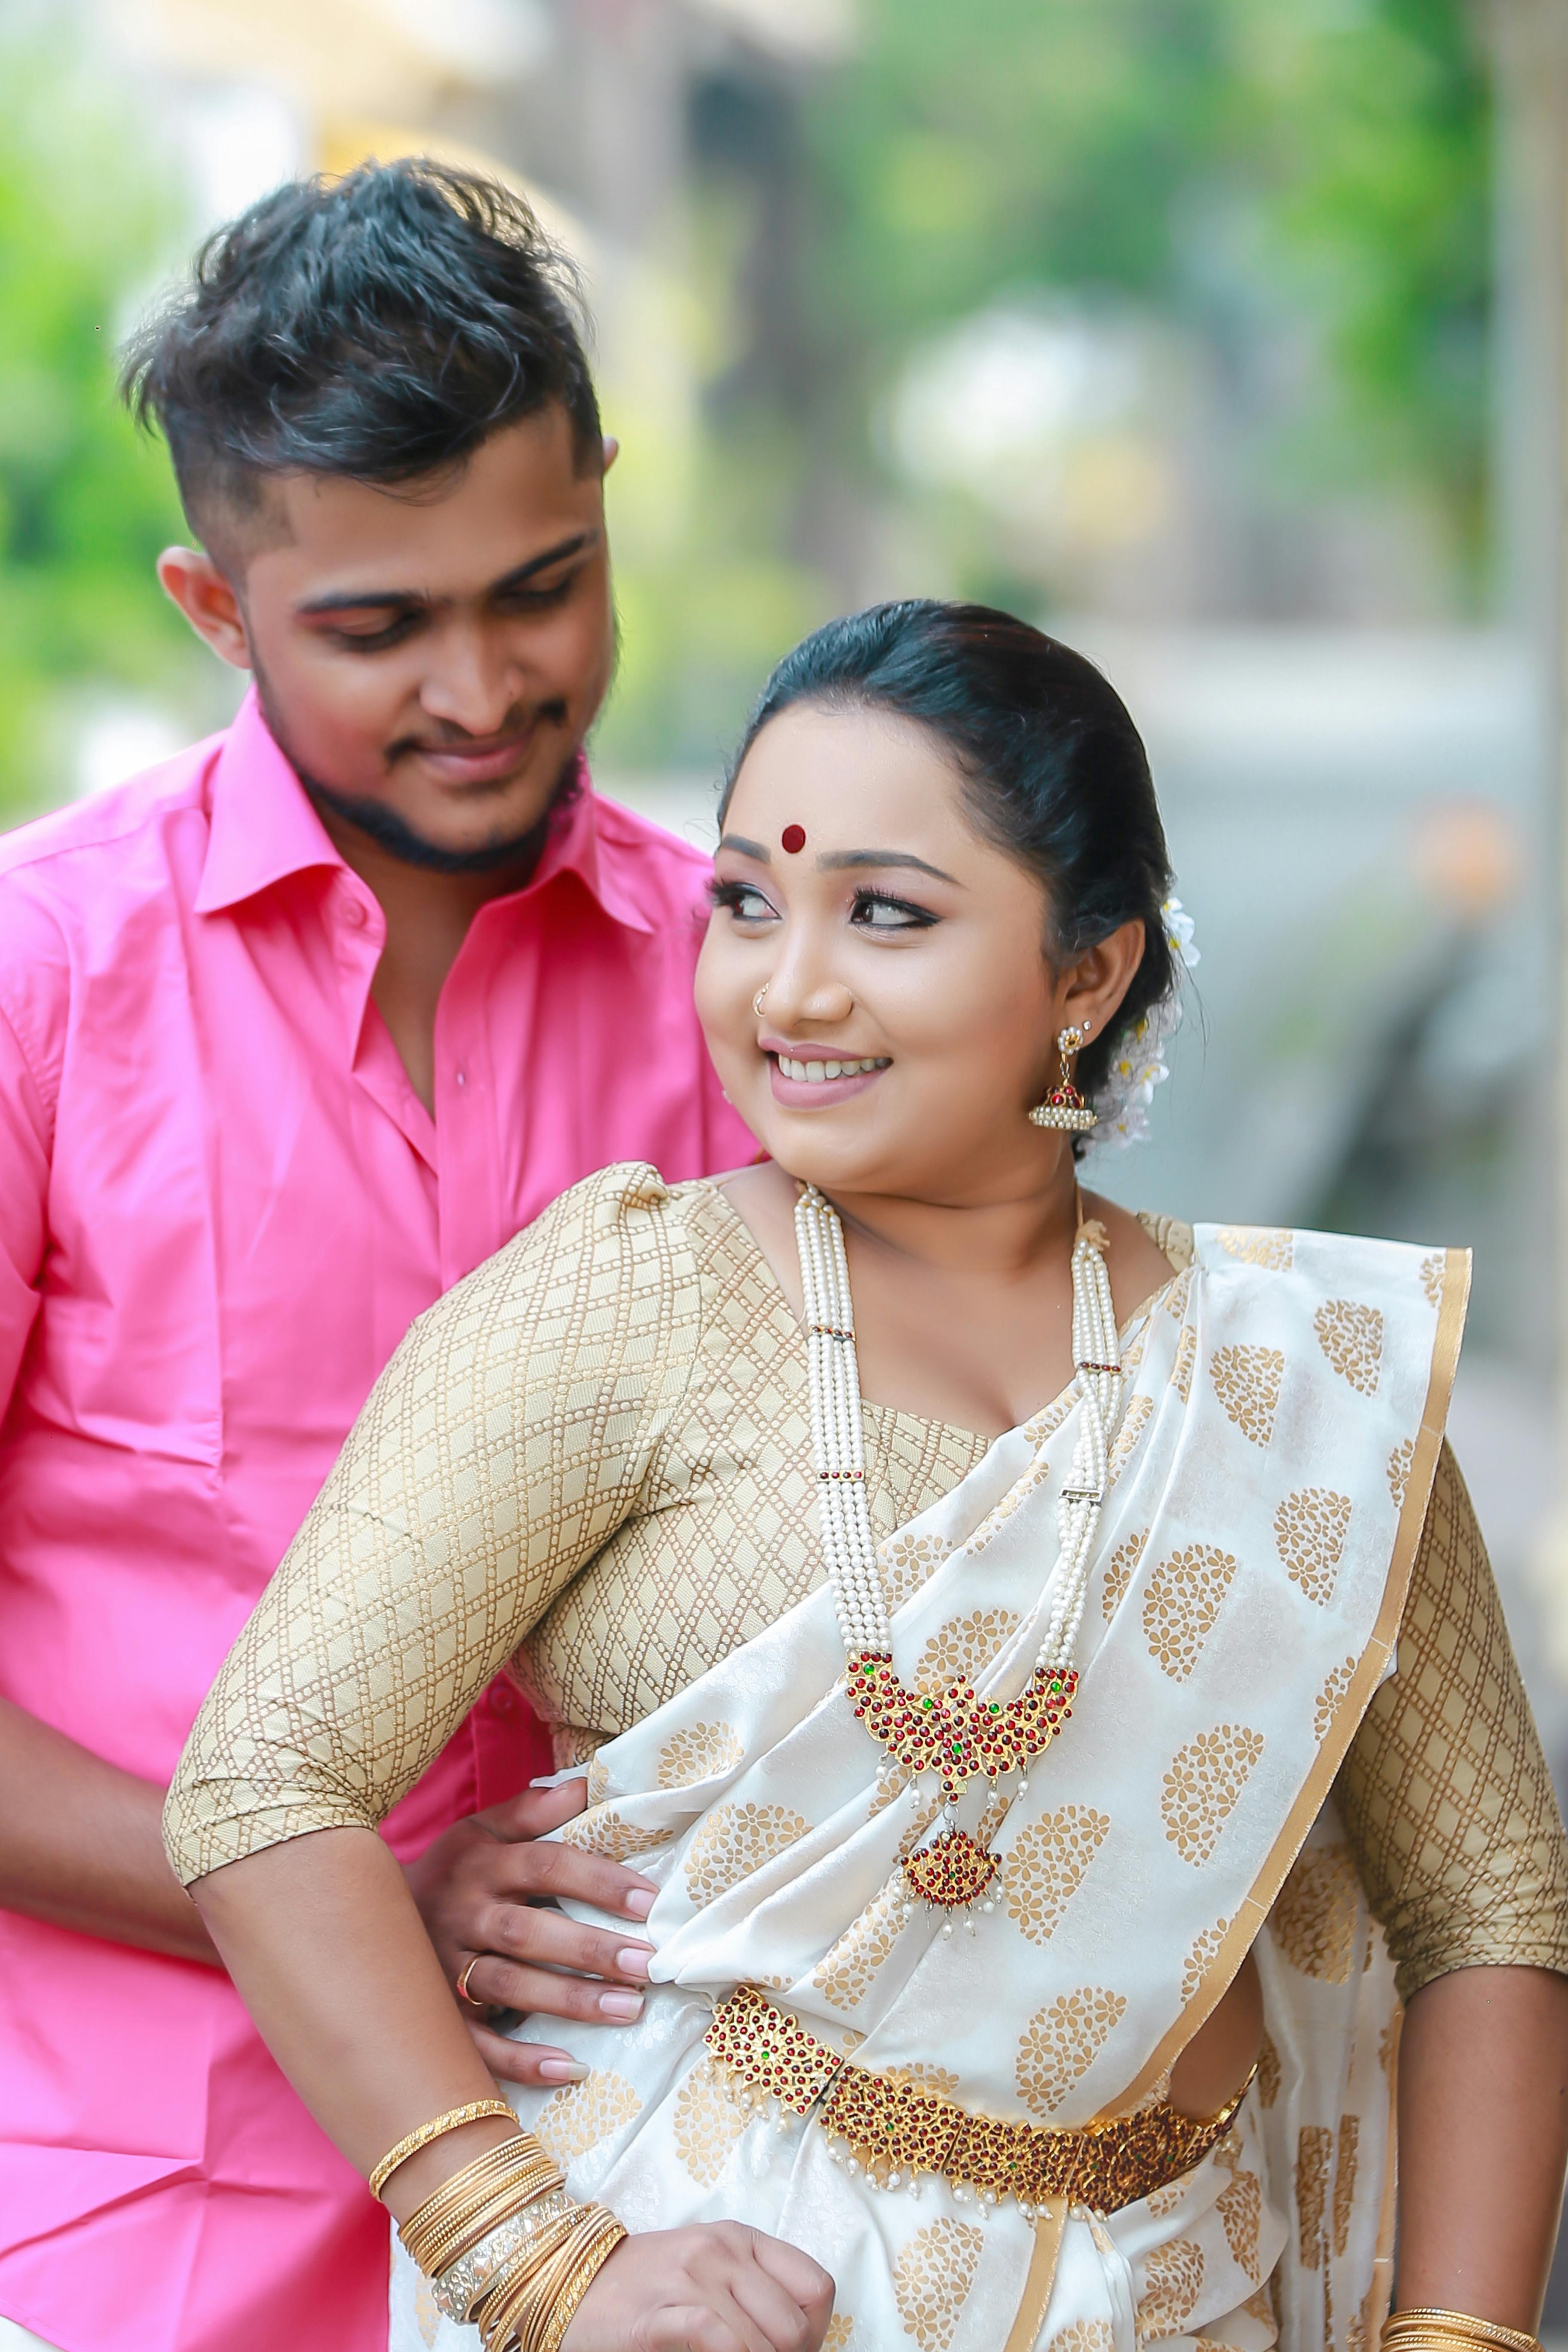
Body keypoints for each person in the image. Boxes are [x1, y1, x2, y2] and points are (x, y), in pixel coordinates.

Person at [165, 603, 1568, 2352]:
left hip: (1179, 2290)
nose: (790, 984)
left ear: (1090, 970)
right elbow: (262, 1780)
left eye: (883, 914)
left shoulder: (1304, 1383)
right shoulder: (629, 1295)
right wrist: (536, 2261)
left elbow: (1490, 1904)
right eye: (747, 901)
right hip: (709, 2277)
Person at [0, 162, 756, 2352]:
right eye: (376, 629)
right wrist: (368, 1893)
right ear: (214, 608)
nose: (486, 687)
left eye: (544, 587)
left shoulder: (749, 1009)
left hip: (651, 2189)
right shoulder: (45, 985)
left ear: (608, 503)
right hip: (133, 2236)